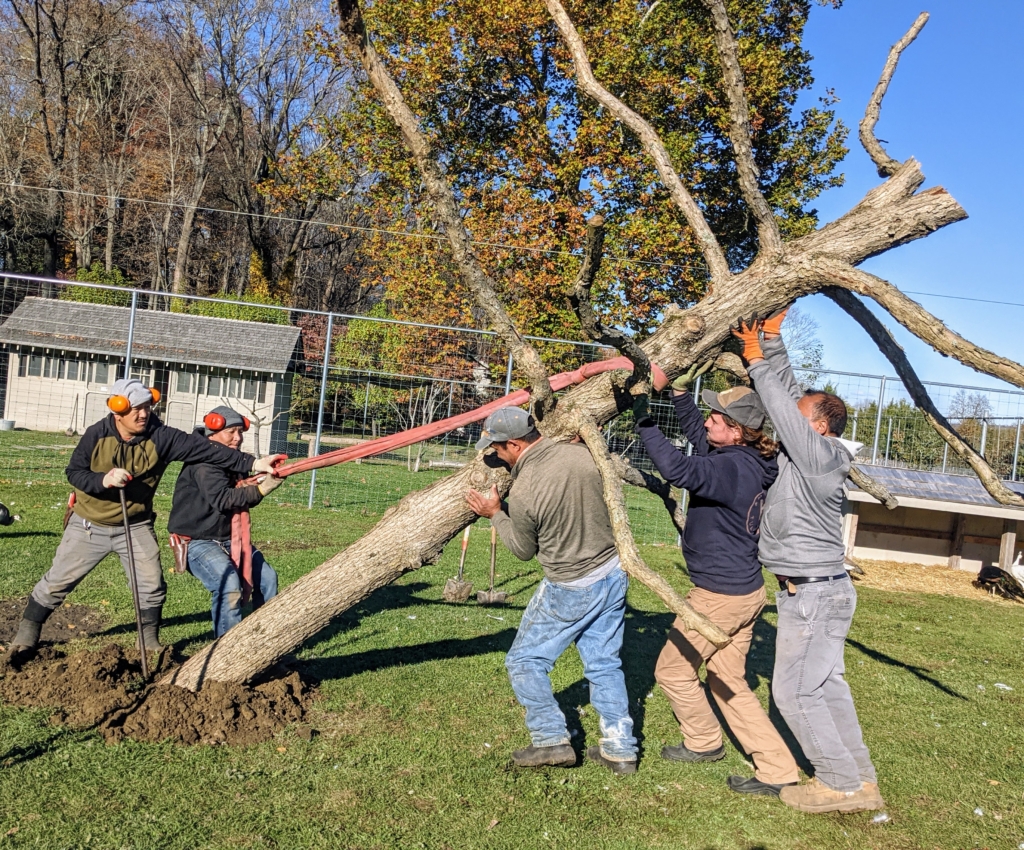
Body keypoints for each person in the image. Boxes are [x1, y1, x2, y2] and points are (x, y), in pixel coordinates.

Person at [6, 379, 283, 666]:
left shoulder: (161, 436)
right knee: (57, 582)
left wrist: (253, 464)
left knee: (151, 585)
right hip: (90, 523)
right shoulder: (96, 435)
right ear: (118, 411)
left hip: (135, 523)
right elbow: (74, 471)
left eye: (147, 408)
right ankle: (28, 632)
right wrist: (103, 479)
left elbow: (209, 450)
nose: (143, 415)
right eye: (137, 409)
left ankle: (148, 642)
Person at [734, 308, 883, 814]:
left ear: (819, 426)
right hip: (822, 589)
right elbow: (791, 394)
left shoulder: (819, 456)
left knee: (795, 694)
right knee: (827, 688)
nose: (787, 423)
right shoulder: (815, 449)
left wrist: (754, 359)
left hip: (814, 593)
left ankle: (838, 785)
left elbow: (781, 403)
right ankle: (861, 780)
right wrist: (772, 340)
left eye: (801, 418)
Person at [632, 363, 800, 797]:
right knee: (727, 681)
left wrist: (643, 414)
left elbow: (680, 471)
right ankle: (775, 768)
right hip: (745, 591)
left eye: (716, 418)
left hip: (719, 596)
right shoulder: (748, 459)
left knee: (671, 671)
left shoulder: (732, 470)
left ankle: (705, 741)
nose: (707, 423)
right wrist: (679, 395)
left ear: (738, 431)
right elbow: (698, 437)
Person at [465, 407, 638, 775]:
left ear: (514, 443)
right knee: (605, 663)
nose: (494, 453)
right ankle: (620, 750)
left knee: (525, 661)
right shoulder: (582, 453)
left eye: (497, 447)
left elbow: (523, 550)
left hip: (570, 583)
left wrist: (496, 513)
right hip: (612, 572)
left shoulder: (526, 489)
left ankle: (550, 740)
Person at [167, 406, 283, 637]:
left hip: (231, 539)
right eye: (231, 432)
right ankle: (227, 648)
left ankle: (267, 640)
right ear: (213, 432)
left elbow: (241, 500)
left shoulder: (234, 461)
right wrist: (261, 489)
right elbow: (224, 499)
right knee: (229, 586)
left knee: (268, 580)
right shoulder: (203, 463)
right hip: (197, 541)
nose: (238, 438)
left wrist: (257, 486)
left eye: (240, 432)